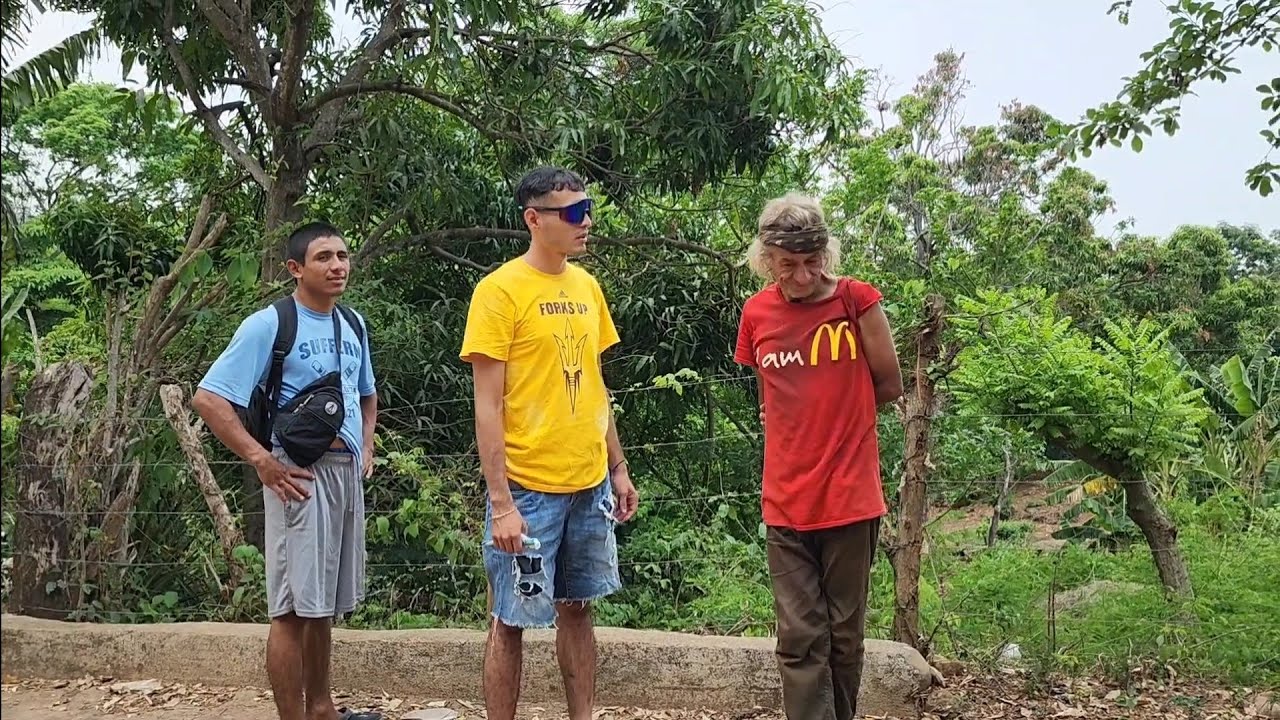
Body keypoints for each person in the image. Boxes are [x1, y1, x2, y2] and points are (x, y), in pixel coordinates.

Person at [459, 166, 640, 720]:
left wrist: (618, 466)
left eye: (588, 209)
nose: (586, 223)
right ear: (533, 220)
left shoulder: (587, 287)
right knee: (510, 620)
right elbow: (486, 406)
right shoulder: (498, 292)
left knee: (579, 609)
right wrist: (501, 504)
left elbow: (595, 381)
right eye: (573, 213)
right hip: (527, 489)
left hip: (588, 484)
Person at [191, 221, 381, 720]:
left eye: (342, 255)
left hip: (343, 474)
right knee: (293, 608)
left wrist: (368, 441)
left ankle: (323, 710)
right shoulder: (270, 324)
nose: (337, 265)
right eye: (323, 258)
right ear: (296, 269)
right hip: (297, 476)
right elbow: (209, 399)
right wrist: (262, 461)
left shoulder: (353, 324)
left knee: (324, 606)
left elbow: (366, 391)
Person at [733, 193, 903, 720]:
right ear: (767, 260)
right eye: (788, 265)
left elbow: (890, 383)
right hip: (785, 500)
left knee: (845, 637)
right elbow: (770, 390)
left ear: (825, 254)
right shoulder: (757, 312)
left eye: (811, 262)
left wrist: (839, 420)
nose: (802, 276)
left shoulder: (857, 301)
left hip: (851, 497)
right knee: (800, 637)